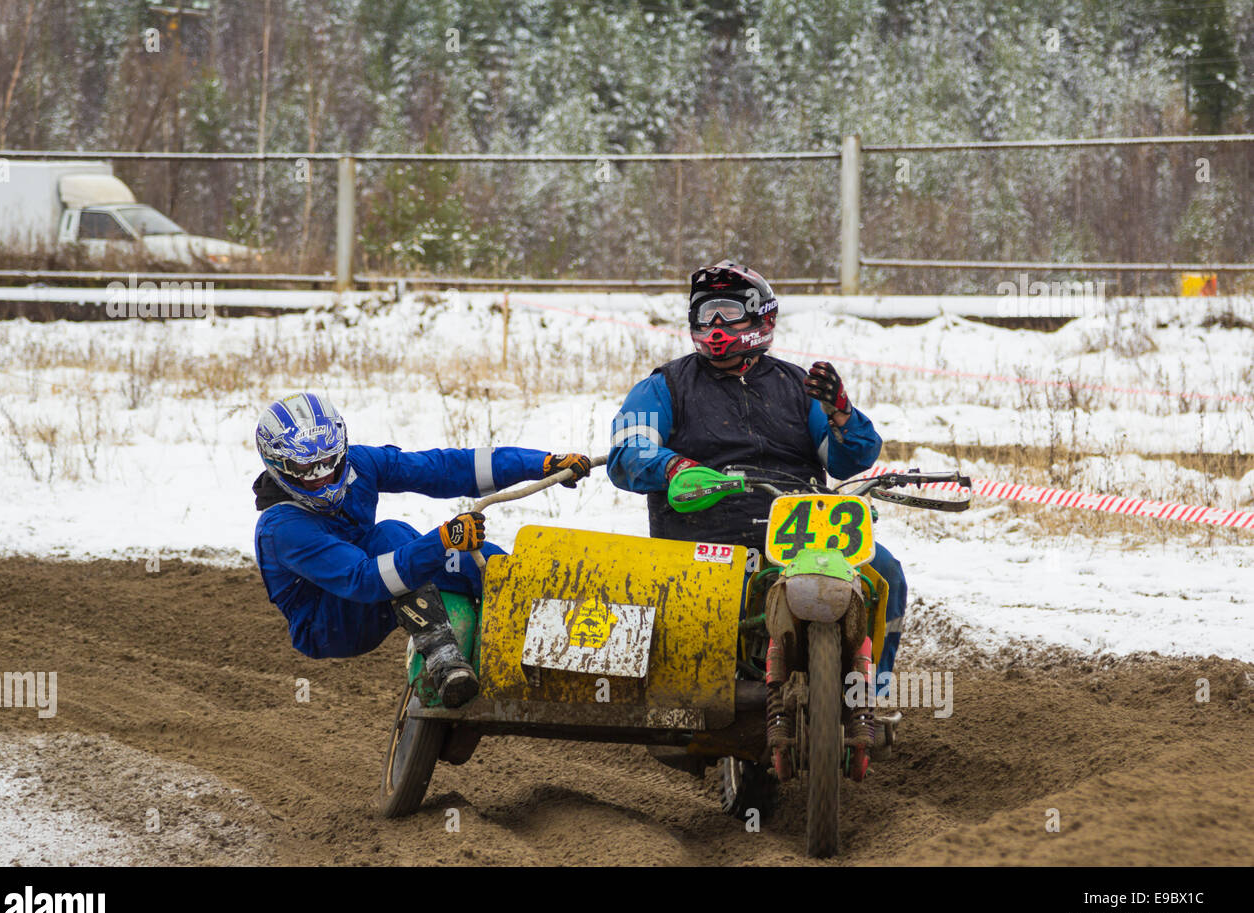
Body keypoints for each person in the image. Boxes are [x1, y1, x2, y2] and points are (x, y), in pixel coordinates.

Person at [606, 260, 907, 685]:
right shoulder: (664, 386)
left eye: (727, 311)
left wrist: (841, 414)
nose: (714, 323)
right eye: (704, 312)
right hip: (705, 533)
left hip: (801, 531)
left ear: (759, 315)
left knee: (885, 573)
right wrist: (674, 466)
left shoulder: (797, 385)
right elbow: (626, 451)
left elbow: (848, 460)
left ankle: (871, 687)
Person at [252, 391, 591, 707]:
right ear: (279, 467)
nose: (324, 477)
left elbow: (441, 469)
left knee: (489, 562)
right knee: (391, 535)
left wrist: (540, 463)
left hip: (380, 577)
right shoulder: (281, 528)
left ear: (342, 449)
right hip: (329, 623)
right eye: (308, 469)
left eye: (330, 463)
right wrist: (442, 540)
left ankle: (560, 638)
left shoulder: (359, 463)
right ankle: (443, 658)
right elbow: (363, 579)